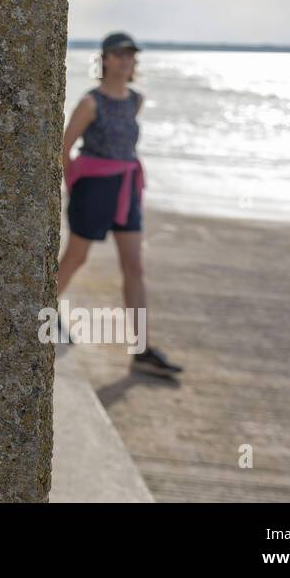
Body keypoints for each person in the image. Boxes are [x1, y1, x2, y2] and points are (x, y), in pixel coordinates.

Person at [56, 32, 183, 377]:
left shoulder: (135, 100)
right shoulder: (90, 102)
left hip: (127, 189)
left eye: (130, 55)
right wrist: (76, 186)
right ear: (105, 59)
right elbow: (64, 149)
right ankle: (41, 312)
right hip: (94, 189)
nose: (125, 60)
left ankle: (141, 349)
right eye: (118, 54)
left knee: (135, 267)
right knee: (76, 257)